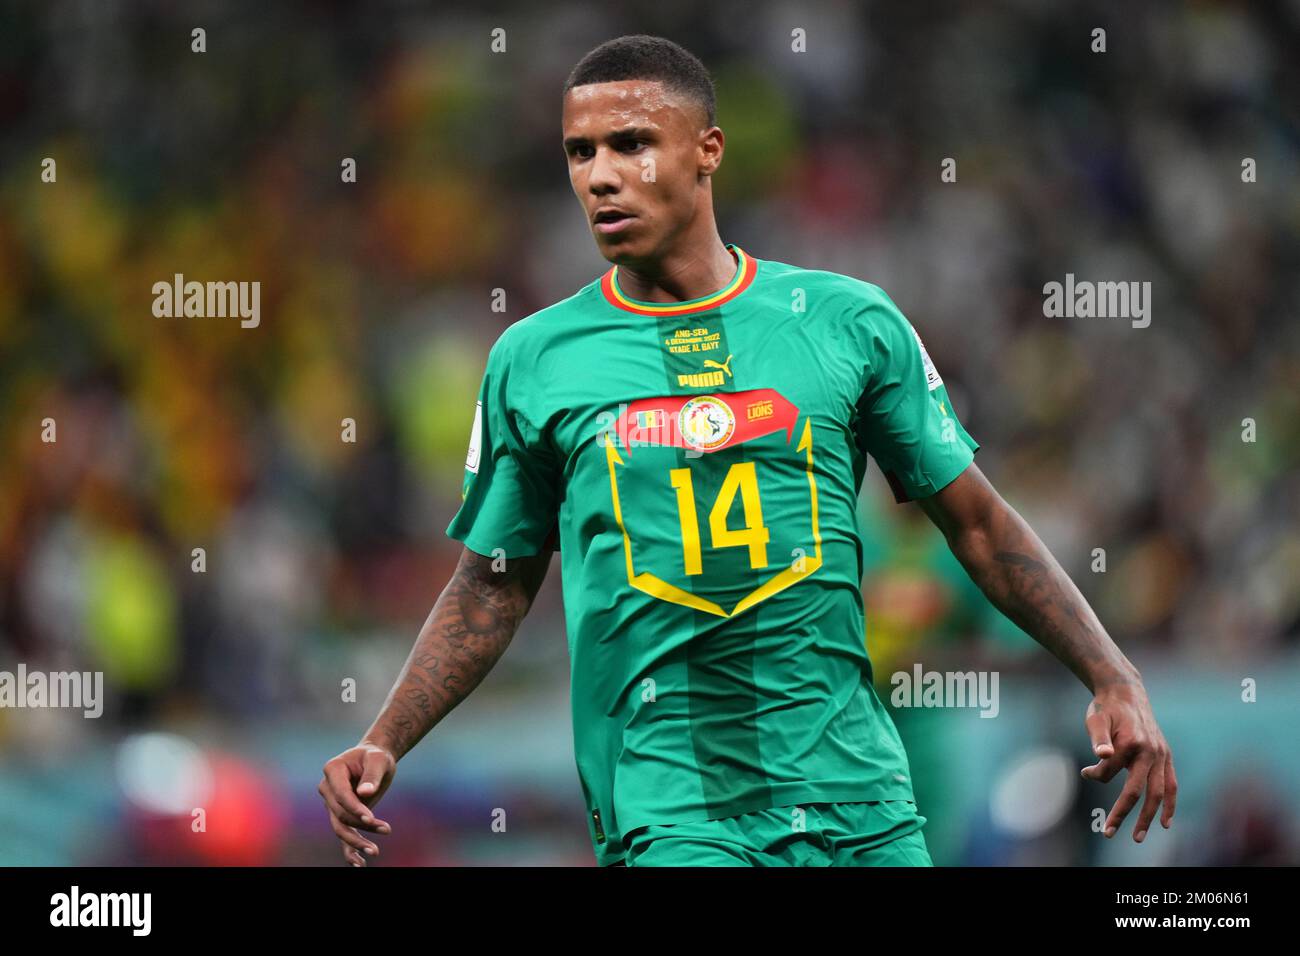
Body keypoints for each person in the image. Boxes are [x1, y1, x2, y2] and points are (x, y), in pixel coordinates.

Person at [319, 34, 1176, 867]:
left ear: (707, 151)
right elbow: (494, 583)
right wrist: (386, 738)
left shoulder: (848, 324)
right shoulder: (534, 361)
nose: (601, 175)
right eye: (580, 153)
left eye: (632, 144)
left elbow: (979, 525)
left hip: (860, 803)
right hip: (675, 813)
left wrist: (1112, 674)